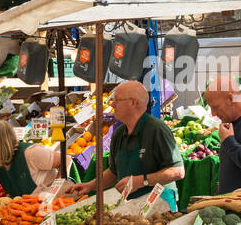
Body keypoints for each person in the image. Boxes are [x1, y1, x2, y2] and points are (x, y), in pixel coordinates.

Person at [68, 80, 184, 209]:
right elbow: (113, 172)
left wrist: (141, 181)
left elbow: (177, 171)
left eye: (117, 100)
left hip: (159, 206)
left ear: (133, 103)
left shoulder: (156, 129)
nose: (112, 104)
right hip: (131, 206)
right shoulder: (119, 133)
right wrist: (90, 185)